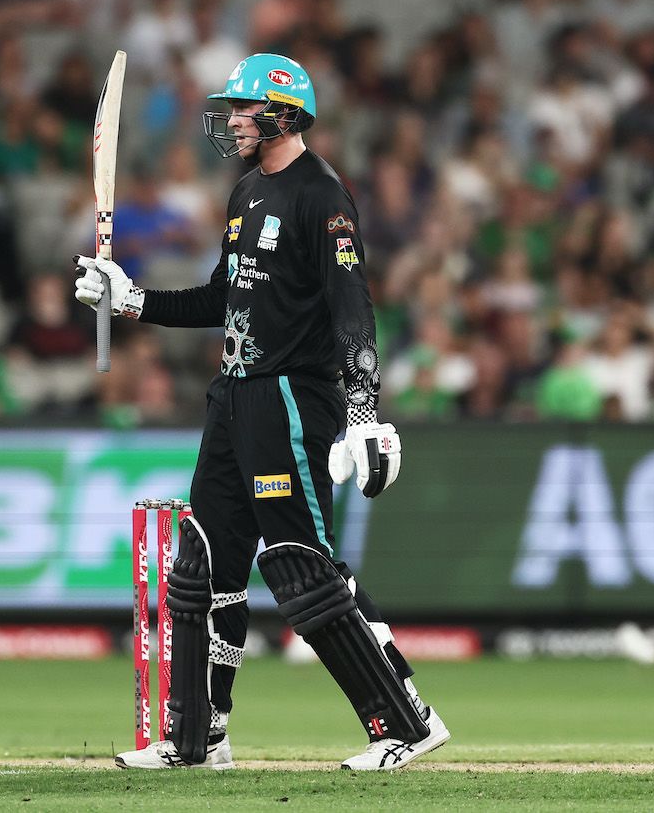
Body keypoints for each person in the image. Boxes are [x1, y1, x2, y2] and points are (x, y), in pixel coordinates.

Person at [74, 54, 447, 771]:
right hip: (234, 394)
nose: (234, 120)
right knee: (202, 567)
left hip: (288, 397)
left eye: (245, 107)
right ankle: (196, 738)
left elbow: (352, 308)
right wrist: (130, 298)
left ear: (284, 112)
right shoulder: (246, 191)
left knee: (302, 568)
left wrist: (365, 411)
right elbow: (224, 297)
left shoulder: (322, 195)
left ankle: (405, 721)